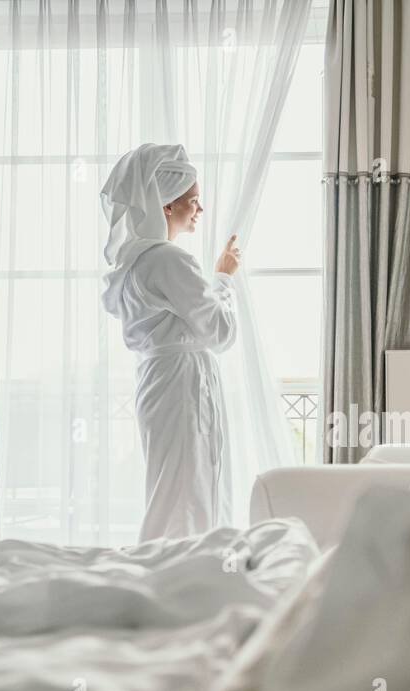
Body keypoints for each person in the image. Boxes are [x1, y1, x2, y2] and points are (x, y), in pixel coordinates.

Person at [100, 143, 243, 541]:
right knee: (187, 490)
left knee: (172, 487)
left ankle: (172, 567)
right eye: (193, 202)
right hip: (181, 385)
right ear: (165, 205)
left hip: (158, 382)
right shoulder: (168, 260)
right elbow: (220, 331)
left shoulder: (133, 261)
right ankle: (179, 573)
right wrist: (224, 278)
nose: (200, 211)